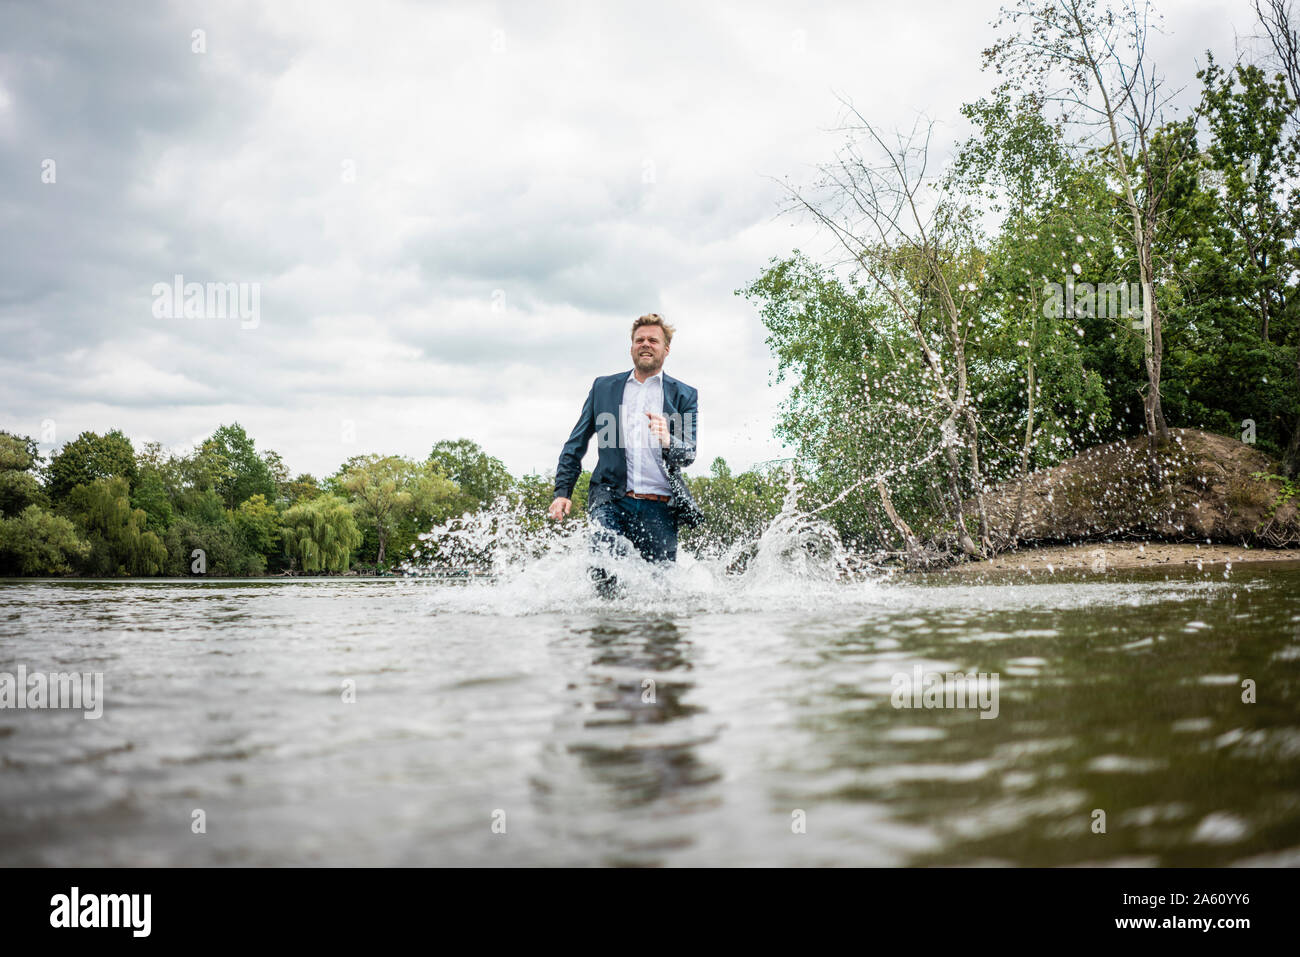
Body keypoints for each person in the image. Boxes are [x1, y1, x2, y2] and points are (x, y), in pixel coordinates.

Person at [547, 313, 698, 597]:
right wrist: (562, 491)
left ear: (666, 349)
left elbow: (688, 454)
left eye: (653, 340)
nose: (646, 344)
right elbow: (575, 444)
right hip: (611, 498)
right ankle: (608, 637)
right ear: (631, 347)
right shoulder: (603, 388)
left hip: (660, 509)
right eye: (639, 340)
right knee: (604, 573)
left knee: (659, 597)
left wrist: (668, 439)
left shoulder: (684, 395)